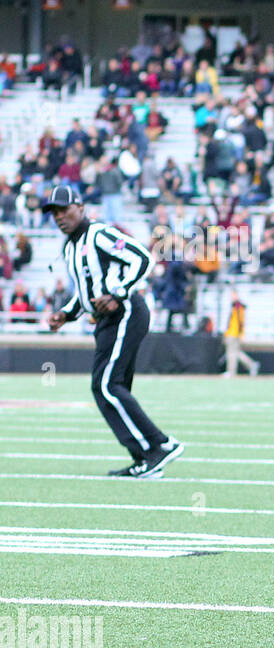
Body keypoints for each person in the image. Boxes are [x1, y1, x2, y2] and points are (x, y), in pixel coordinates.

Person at [42, 185, 182, 477]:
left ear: (80, 207)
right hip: (108, 319)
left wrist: (117, 293)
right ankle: (145, 459)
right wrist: (65, 314)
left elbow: (143, 258)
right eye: (53, 212)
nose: (59, 217)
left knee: (106, 385)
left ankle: (160, 445)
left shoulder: (100, 234)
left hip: (125, 310)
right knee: (112, 386)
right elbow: (85, 292)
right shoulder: (70, 247)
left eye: (63, 210)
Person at [223, 289, 260, 377]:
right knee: (236, 353)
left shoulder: (238, 306)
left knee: (232, 353)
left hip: (234, 333)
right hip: (232, 333)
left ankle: (232, 371)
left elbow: (240, 321)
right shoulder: (235, 306)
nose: (232, 297)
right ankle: (251, 365)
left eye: (233, 295)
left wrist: (241, 334)